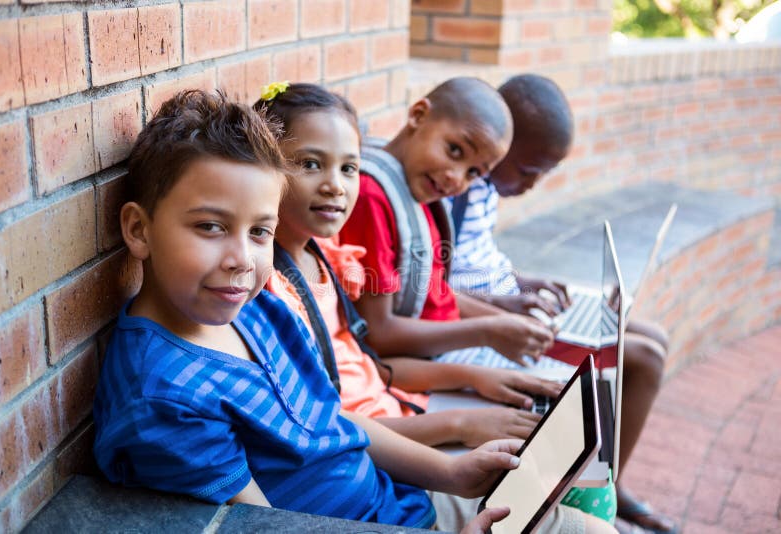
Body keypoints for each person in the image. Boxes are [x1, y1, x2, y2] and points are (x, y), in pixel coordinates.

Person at [91, 89, 529, 533]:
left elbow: (332, 421)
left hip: (399, 496)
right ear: (138, 229)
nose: (242, 259)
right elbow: (262, 528)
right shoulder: (163, 399)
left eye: (260, 231)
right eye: (211, 226)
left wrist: (452, 473)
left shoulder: (257, 306)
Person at [257, 81, 615, 534]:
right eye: (311, 164)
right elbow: (340, 411)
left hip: (406, 411)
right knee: (585, 489)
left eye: (349, 167)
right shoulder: (271, 289)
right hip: (391, 451)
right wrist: (460, 422)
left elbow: (370, 364)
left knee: (587, 458)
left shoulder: (324, 255)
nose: (335, 184)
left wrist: (478, 374)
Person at [447, 74, 677, 534]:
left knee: (652, 335)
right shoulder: (456, 186)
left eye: (544, 175)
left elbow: (478, 263)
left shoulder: (484, 189)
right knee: (643, 358)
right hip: (485, 326)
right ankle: (608, 480)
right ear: (502, 145)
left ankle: (612, 474)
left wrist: (523, 281)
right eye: (528, 170)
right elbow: (440, 283)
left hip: (508, 307)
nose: (532, 186)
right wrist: (508, 302)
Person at [338, 77, 557, 369]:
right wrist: (488, 332)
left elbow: (428, 292)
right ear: (418, 115)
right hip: (423, 362)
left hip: (447, 343)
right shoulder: (371, 197)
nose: (456, 178)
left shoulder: (417, 193)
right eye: (455, 150)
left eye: (473, 173)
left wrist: (501, 314)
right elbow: (379, 333)